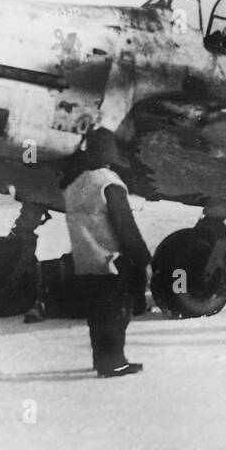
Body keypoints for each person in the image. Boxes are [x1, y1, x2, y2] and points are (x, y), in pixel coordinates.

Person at [63, 127, 152, 377]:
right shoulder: (109, 183)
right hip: (111, 261)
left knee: (97, 316)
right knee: (116, 316)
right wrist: (143, 258)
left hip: (84, 261)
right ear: (110, 153)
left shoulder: (73, 185)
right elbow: (125, 225)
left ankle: (102, 360)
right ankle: (115, 362)